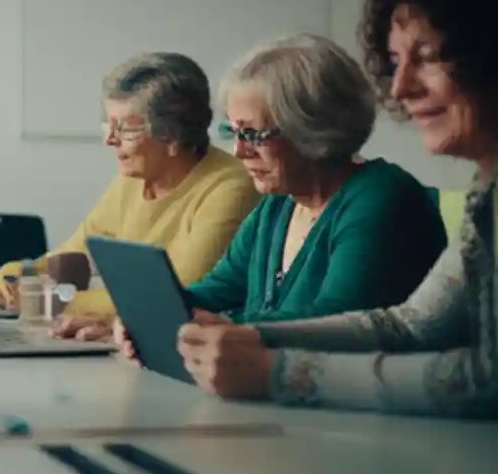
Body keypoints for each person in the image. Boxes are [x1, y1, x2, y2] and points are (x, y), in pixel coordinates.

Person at [175, 0, 498, 418]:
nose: (402, 87)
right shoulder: (487, 191)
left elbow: (485, 380)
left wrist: (275, 372)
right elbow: (409, 325)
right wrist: (240, 336)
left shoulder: (383, 197)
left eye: (428, 58)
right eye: (394, 62)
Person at [0, 53, 260, 335]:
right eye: (108, 125)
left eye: (125, 128)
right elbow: (74, 253)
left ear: (173, 135)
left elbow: (175, 295)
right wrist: (16, 275)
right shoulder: (133, 180)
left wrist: (42, 301)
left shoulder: (230, 186)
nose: (109, 140)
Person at [176, 34, 446, 323]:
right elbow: (216, 290)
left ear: (312, 130)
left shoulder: (382, 199)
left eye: (253, 134)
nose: (239, 151)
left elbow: (333, 323)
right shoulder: (277, 206)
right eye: (234, 132)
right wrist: (158, 314)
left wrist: (224, 327)